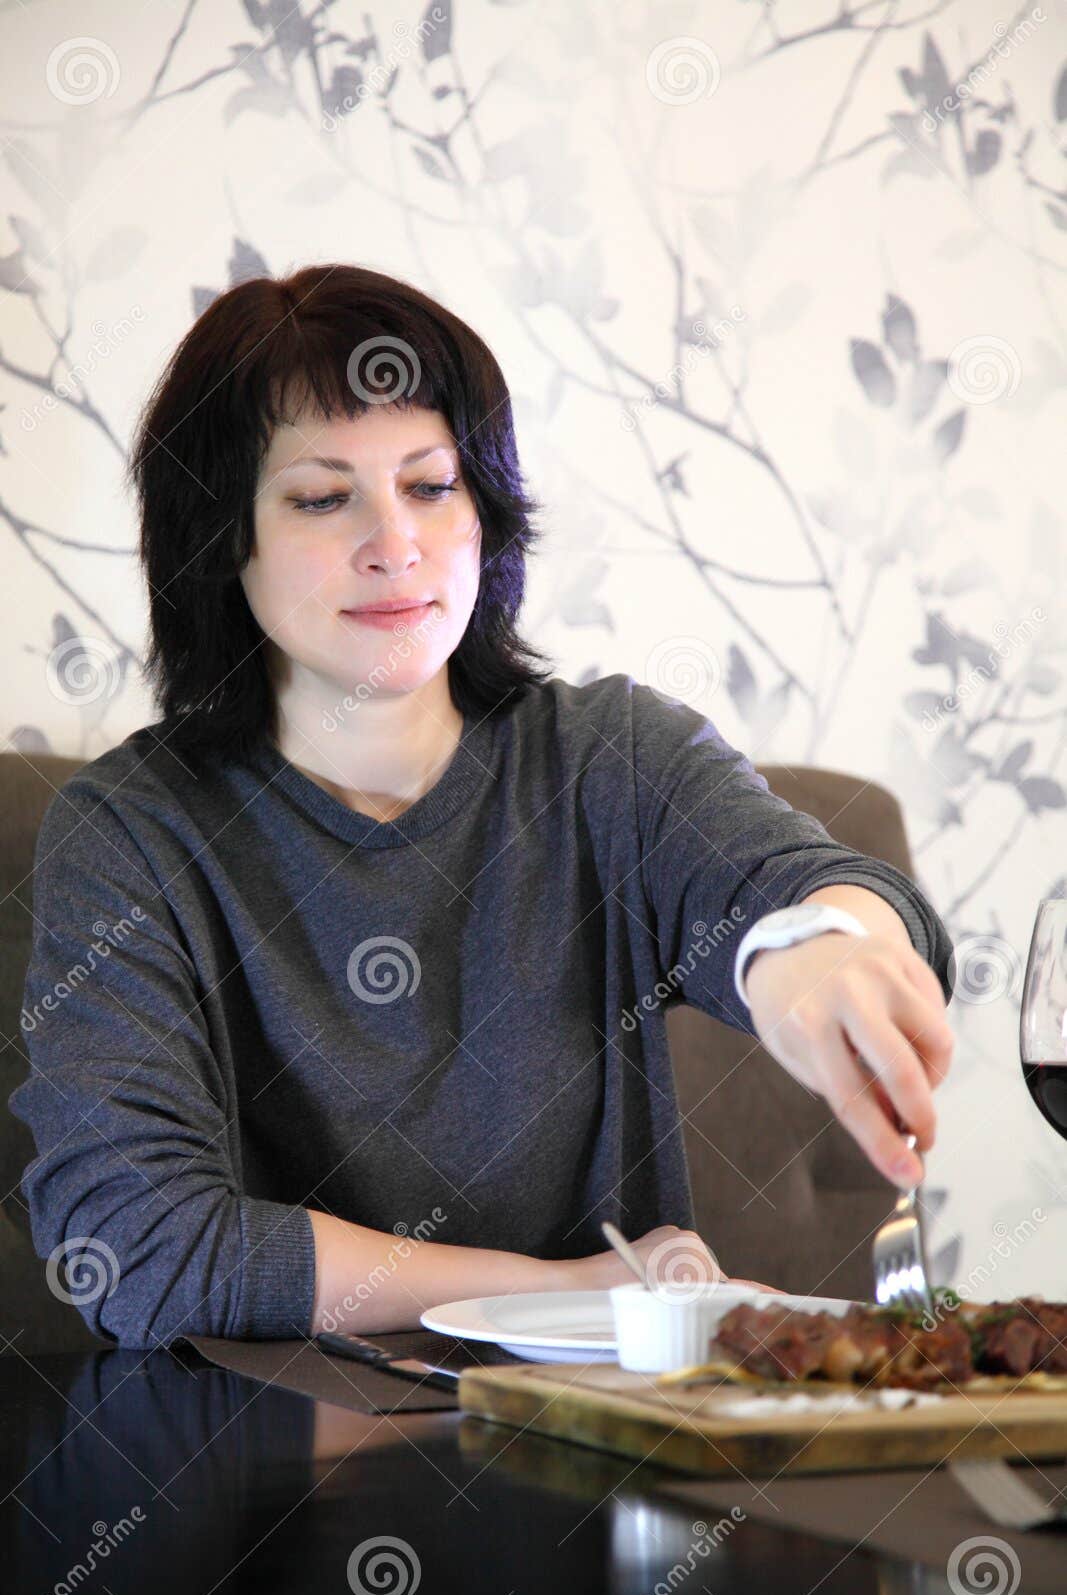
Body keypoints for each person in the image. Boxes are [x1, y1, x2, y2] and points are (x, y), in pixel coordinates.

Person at [9, 265, 955, 1350]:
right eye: (323, 497)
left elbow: (828, 895)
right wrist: (568, 1289)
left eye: (430, 485)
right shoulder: (133, 829)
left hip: (603, 1464)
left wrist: (813, 943)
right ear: (225, 539)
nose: (393, 542)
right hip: (275, 1465)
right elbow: (139, 1251)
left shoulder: (610, 759)